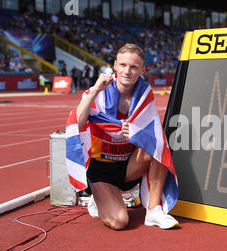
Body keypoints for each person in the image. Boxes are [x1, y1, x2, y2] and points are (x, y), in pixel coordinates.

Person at [73, 43, 179, 230]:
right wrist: (95, 89)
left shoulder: (144, 94)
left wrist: (138, 133)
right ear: (115, 65)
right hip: (102, 170)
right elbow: (78, 124)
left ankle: (154, 211)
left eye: (134, 67)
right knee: (120, 222)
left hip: (128, 167)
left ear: (142, 70)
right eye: (123, 65)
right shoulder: (100, 91)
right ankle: (100, 197)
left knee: (158, 142)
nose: (127, 71)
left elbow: (153, 131)